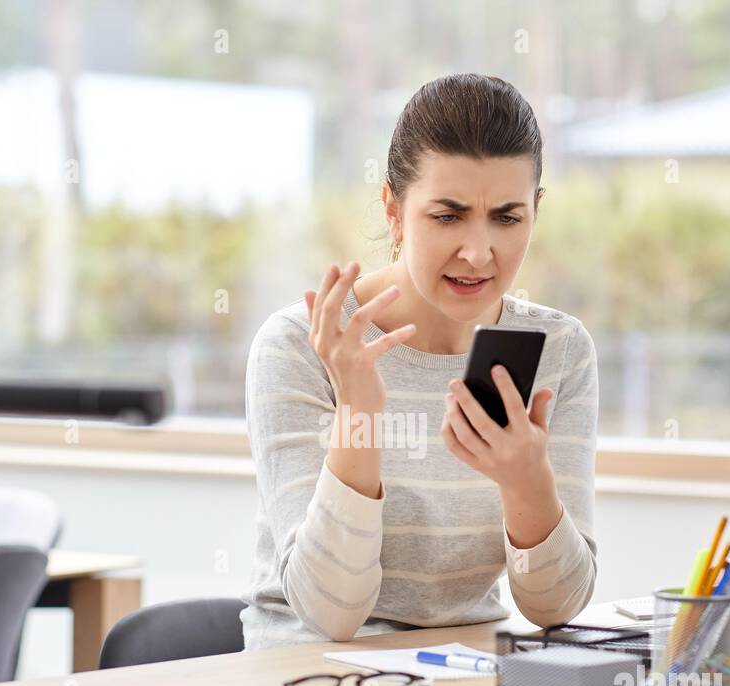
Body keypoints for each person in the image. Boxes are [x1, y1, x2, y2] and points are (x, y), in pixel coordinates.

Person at [240, 73, 598, 650]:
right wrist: (359, 408)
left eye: (507, 218)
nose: (479, 253)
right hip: (313, 684)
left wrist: (528, 484)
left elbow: (554, 610)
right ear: (392, 208)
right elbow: (332, 614)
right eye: (447, 216)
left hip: (465, 678)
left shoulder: (558, 350)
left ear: (535, 210)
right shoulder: (302, 346)